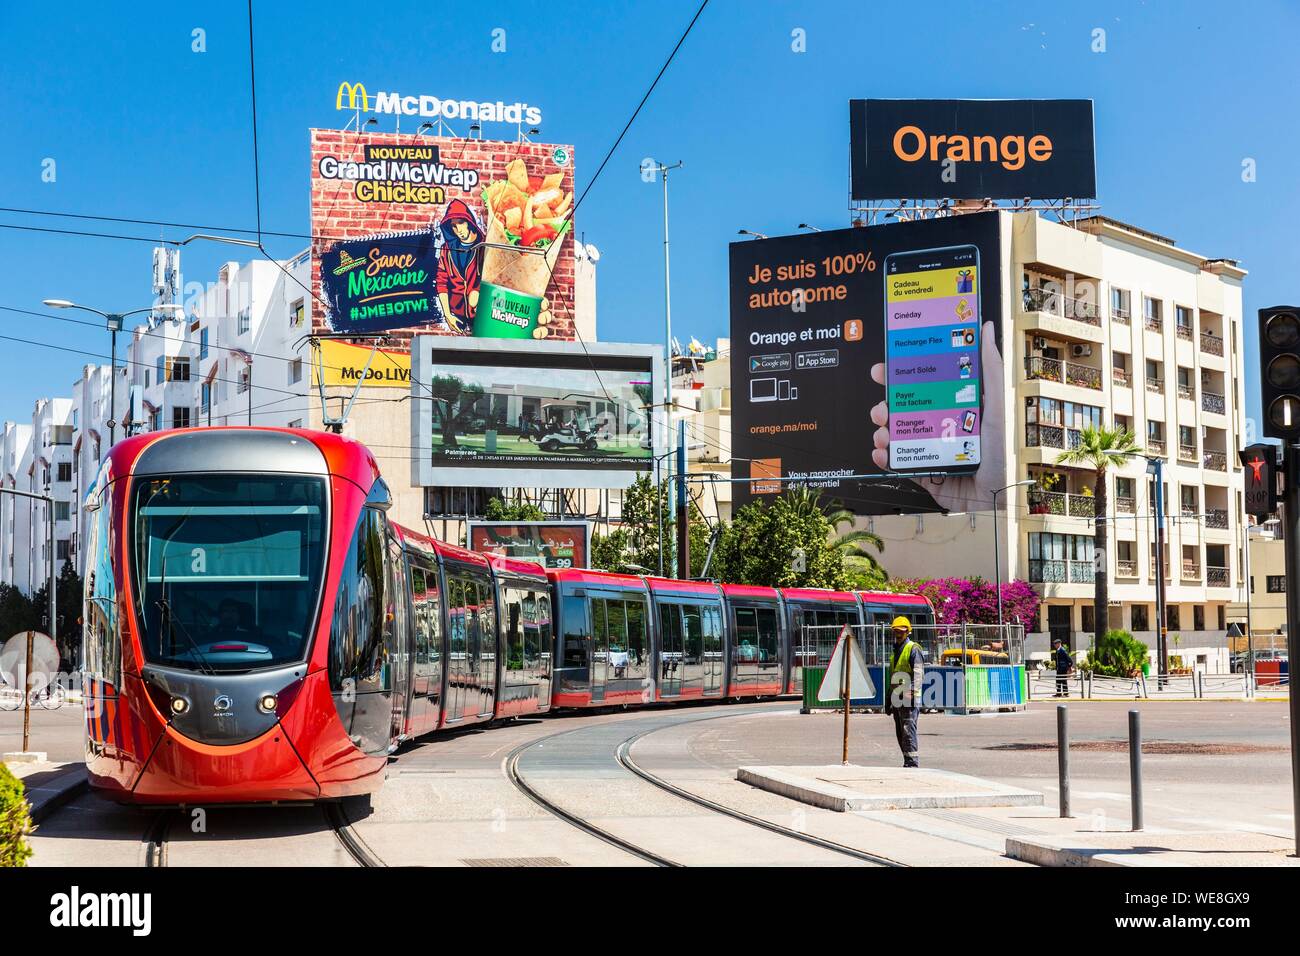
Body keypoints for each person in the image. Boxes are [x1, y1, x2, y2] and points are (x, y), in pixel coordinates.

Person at [435, 198, 485, 334]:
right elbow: (441, 282)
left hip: (481, 315)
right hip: (456, 315)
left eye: (461, 223)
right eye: (454, 226)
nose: (459, 230)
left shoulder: (485, 246)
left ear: (469, 221)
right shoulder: (447, 250)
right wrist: (447, 314)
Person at [884, 616, 923, 768]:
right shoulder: (896, 651)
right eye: (896, 631)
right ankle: (907, 760)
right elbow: (894, 676)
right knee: (901, 732)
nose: (898, 633)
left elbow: (918, 674)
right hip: (897, 697)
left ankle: (912, 763)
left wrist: (911, 692)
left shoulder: (913, 649)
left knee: (908, 731)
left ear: (907, 631)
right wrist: (889, 699)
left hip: (909, 698)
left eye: (901, 631)